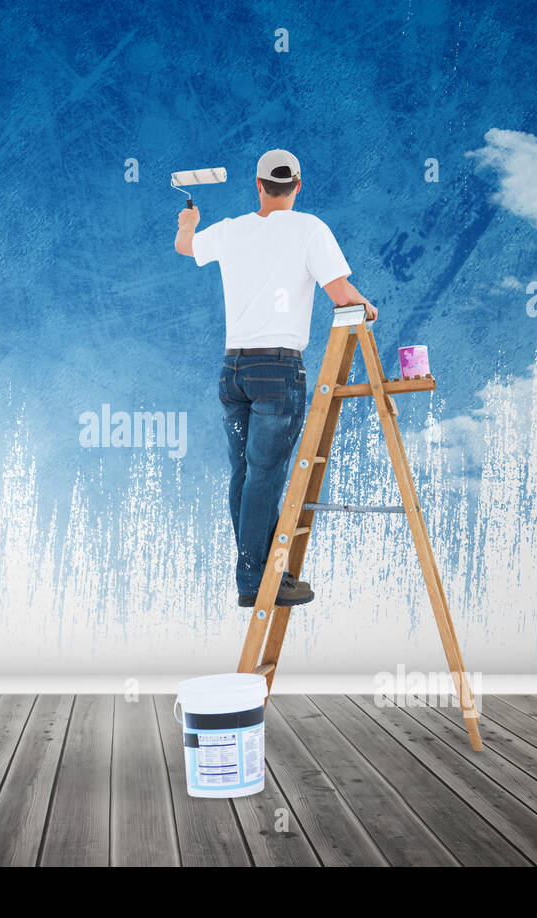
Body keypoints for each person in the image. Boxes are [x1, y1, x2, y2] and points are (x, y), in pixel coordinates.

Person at [175, 149, 377, 607]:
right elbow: (340, 293)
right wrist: (366, 305)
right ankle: (257, 582)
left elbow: (185, 247)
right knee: (264, 477)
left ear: (260, 186)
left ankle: (260, 574)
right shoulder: (310, 230)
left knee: (245, 474)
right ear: (298, 186)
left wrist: (188, 223)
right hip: (278, 371)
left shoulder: (229, 231)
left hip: (234, 371)